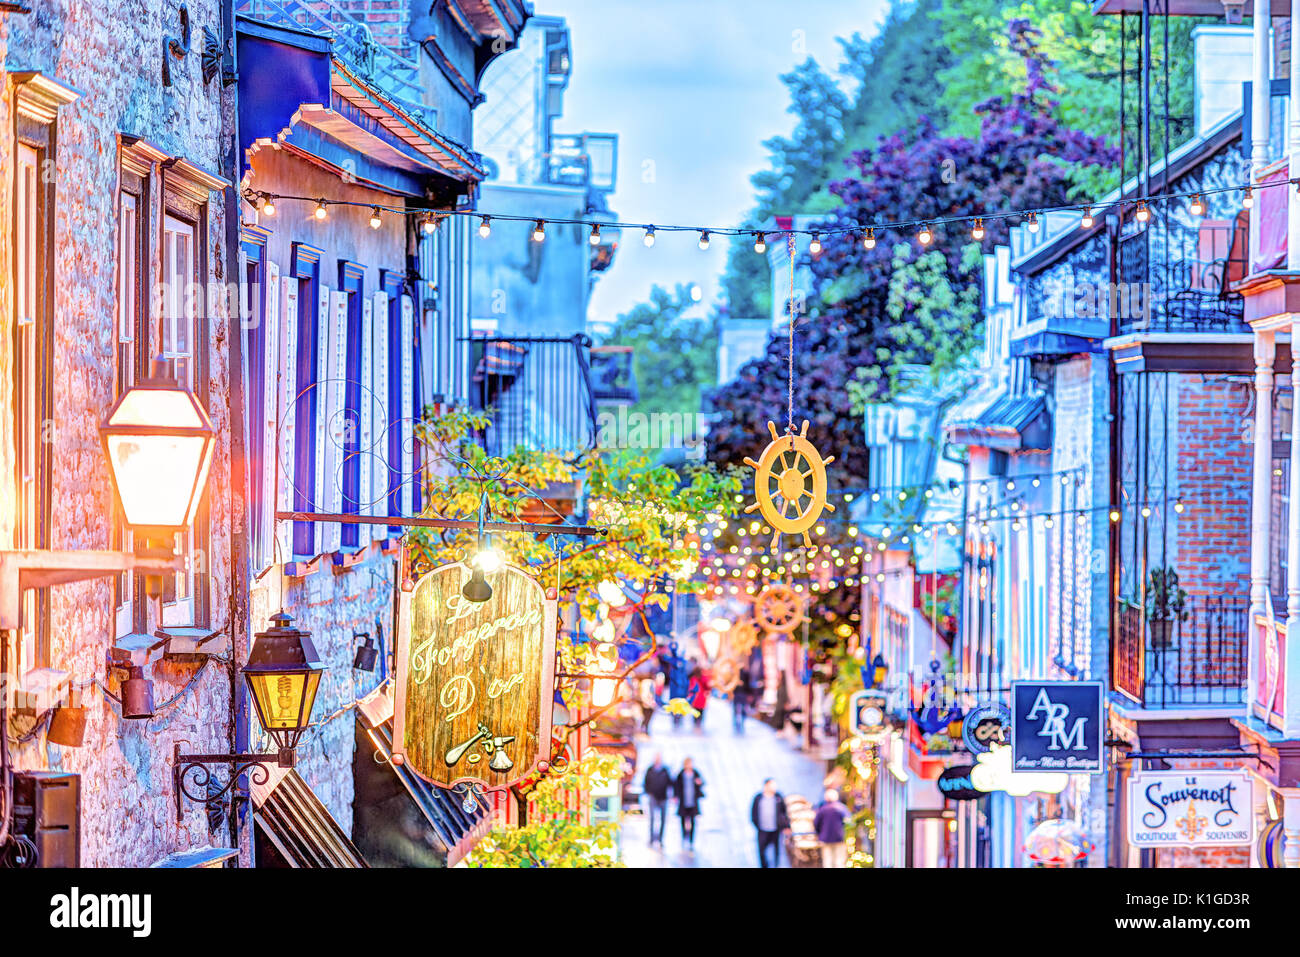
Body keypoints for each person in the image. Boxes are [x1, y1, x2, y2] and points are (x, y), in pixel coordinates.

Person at [750, 778, 790, 868]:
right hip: (763, 829)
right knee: (762, 850)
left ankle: (775, 865)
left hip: (775, 829)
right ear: (766, 786)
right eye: (772, 785)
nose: (774, 787)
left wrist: (786, 826)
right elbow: (753, 813)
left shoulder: (778, 797)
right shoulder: (758, 798)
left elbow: (784, 812)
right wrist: (757, 825)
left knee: (776, 850)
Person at [813, 788, 850, 868]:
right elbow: (848, 822)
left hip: (825, 838)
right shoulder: (842, 808)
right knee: (839, 861)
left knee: (827, 860)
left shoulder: (822, 809)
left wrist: (819, 833)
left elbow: (816, 823)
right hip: (839, 837)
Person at [673, 757, 705, 850]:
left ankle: (691, 840)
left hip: (693, 801)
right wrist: (676, 796)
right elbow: (676, 786)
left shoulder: (695, 773)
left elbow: (702, 783)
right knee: (683, 821)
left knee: (692, 821)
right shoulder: (680, 775)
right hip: (684, 801)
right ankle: (684, 838)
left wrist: (699, 783)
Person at [642, 754, 672, 847]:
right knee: (652, 818)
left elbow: (670, 782)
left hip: (663, 797)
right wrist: (648, 792)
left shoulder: (665, 770)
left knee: (663, 819)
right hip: (653, 797)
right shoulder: (650, 769)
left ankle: (660, 839)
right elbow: (645, 782)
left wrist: (671, 795)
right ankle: (651, 839)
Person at [687, 665, 711, 731]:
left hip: (695, 699)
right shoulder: (704, 678)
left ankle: (695, 726)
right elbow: (708, 687)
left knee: (695, 713)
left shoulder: (693, 678)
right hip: (702, 699)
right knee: (701, 713)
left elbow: (690, 688)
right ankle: (699, 726)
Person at [732, 666, 751, 733]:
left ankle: (737, 722)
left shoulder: (734, 674)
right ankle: (739, 722)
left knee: (737, 709)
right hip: (741, 693)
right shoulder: (736, 674)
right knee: (740, 709)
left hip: (739, 694)